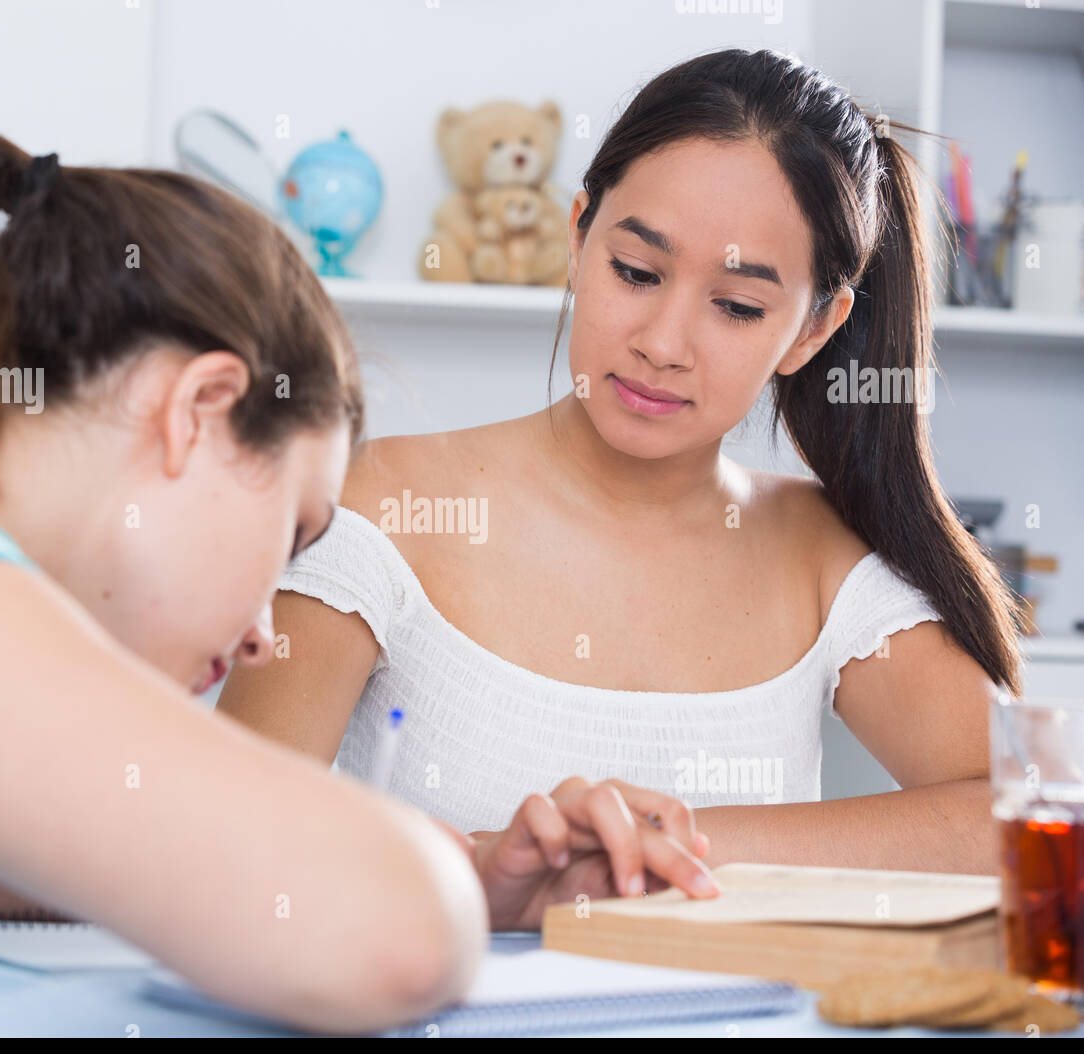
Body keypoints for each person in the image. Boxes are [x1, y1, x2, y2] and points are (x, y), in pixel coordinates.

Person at [0, 85, 716, 1029]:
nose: (269, 636)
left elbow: (16, 857)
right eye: (296, 538)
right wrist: (417, 877)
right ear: (198, 412)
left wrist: (479, 875)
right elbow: (398, 935)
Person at [218, 48, 1024, 876]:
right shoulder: (377, 505)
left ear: (814, 331)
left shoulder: (819, 556)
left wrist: (654, 849)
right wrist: (494, 869)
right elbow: (225, 851)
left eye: (738, 307)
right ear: (578, 236)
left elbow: (1024, 817)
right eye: (636, 272)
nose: (662, 345)